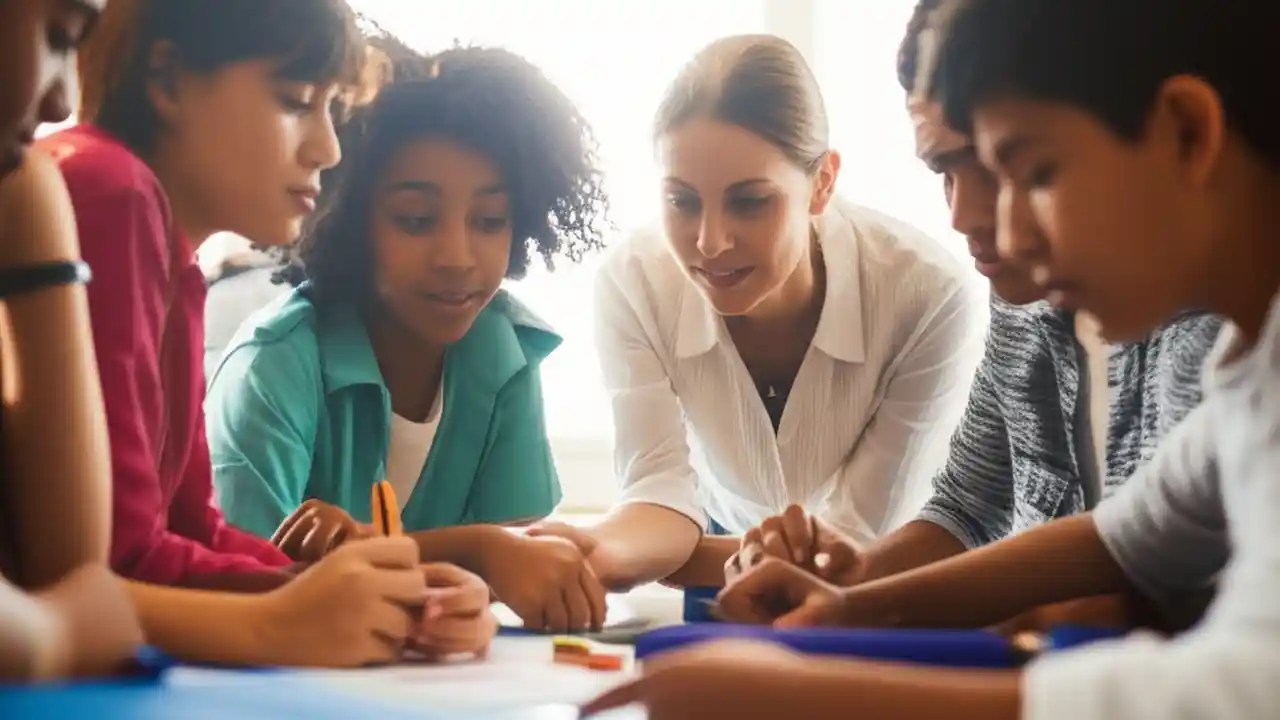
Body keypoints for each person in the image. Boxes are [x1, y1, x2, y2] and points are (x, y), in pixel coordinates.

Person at [585, 1, 1280, 717]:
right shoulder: (1251, 365)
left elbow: (1251, 686)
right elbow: (1122, 534)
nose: (995, 226)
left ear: (1189, 133)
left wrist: (822, 694)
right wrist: (847, 611)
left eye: (1033, 173)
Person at [28, 0, 496, 666]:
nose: (328, 147)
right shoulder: (109, 188)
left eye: (331, 108)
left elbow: (191, 528)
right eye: (296, 101)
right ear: (166, 83)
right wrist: (313, 598)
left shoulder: (173, 260)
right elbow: (121, 558)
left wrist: (377, 594)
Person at [727, 0, 1222, 629]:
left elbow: (1161, 601)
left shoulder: (1215, 330)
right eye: (946, 172)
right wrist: (858, 591)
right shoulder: (1029, 306)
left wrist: (867, 616)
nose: (969, 219)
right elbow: (1003, 512)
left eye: (1025, 168)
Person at [532, 33, 983, 590]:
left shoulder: (926, 295)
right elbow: (657, 491)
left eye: (749, 202)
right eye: (682, 201)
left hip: (886, 582)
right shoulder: (633, 283)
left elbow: (854, 543)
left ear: (822, 184)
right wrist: (590, 554)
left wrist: (678, 558)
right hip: (723, 548)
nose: (710, 242)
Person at [205, 45, 610, 632]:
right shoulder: (272, 366)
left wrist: (474, 557)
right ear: (345, 219)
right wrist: (480, 551)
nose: (456, 257)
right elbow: (241, 583)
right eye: (416, 220)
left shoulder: (504, 351)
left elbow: (524, 557)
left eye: (490, 220)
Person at [0, 0, 141, 681]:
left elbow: (74, 570)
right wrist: (48, 636)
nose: (64, 100)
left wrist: (30, 203)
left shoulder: (22, 188)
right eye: (58, 37)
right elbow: (80, 605)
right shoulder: (117, 191)